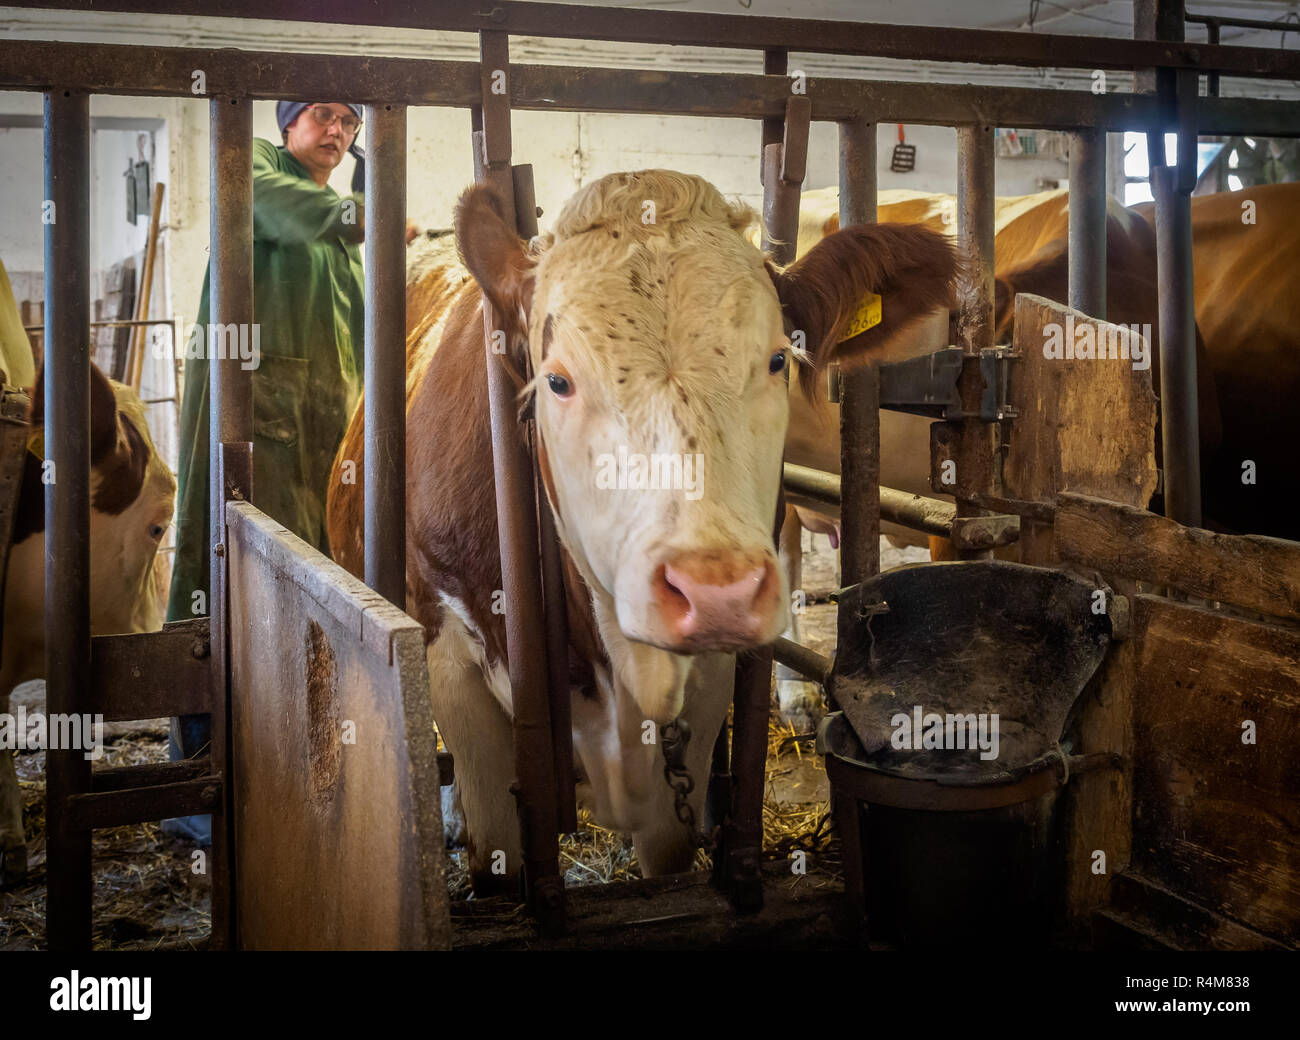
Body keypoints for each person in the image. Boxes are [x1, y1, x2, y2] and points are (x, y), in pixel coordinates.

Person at [163, 101, 388, 844]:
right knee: (221, 579)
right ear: (288, 124)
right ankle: (199, 786)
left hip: (328, 432)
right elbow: (262, 203)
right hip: (251, 425)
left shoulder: (342, 223)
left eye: (350, 124)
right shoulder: (258, 165)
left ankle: (300, 774)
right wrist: (367, 213)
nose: (338, 131)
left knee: (317, 586)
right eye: (323, 116)